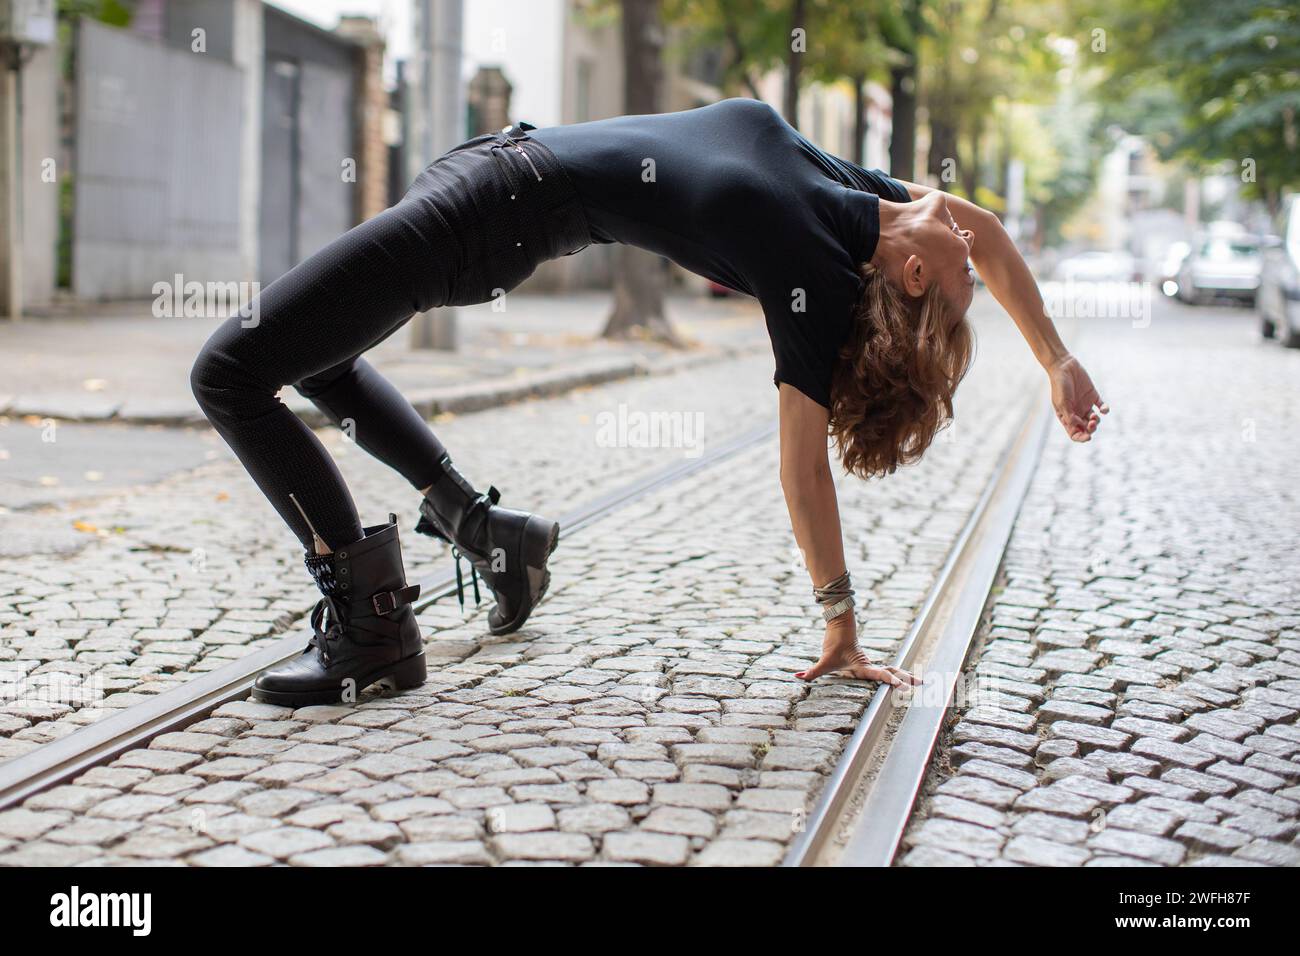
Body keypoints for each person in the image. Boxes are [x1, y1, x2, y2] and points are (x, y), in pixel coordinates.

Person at [191, 98, 1106, 706]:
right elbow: (981, 234)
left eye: (961, 283)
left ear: (914, 273)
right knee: (319, 358)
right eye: (969, 276)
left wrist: (841, 622)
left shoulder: (815, 279)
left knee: (230, 370)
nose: (972, 250)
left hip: (495, 214)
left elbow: (800, 468)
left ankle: (371, 628)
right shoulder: (855, 199)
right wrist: (1057, 360)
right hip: (494, 168)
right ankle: (487, 533)